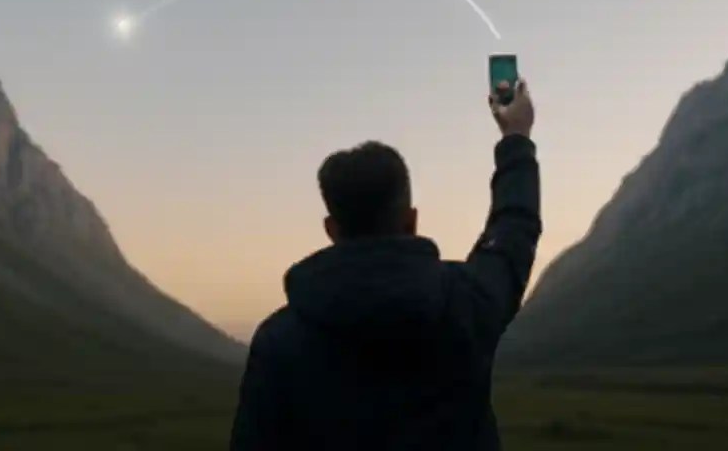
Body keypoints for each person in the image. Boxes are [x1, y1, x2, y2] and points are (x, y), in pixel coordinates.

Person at [230, 79, 540, 450]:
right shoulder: (466, 302)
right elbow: (513, 230)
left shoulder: (277, 341)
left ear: (332, 229)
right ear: (411, 221)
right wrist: (516, 138)